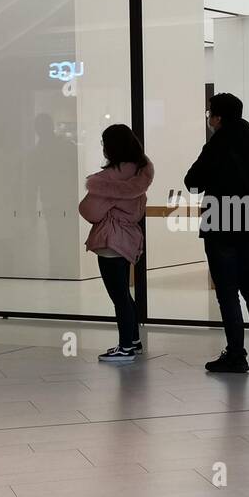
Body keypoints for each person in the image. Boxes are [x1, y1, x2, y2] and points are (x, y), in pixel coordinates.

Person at [184, 93, 249, 373]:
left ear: (219, 117)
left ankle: (236, 354)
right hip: (247, 220)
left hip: (220, 221)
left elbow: (192, 181)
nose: (209, 118)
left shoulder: (218, 143)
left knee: (227, 291)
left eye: (210, 113)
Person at [79, 124, 153, 363]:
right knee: (124, 293)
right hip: (130, 237)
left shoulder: (109, 178)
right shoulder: (140, 173)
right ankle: (133, 341)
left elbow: (90, 211)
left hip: (111, 240)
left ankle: (125, 347)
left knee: (118, 295)